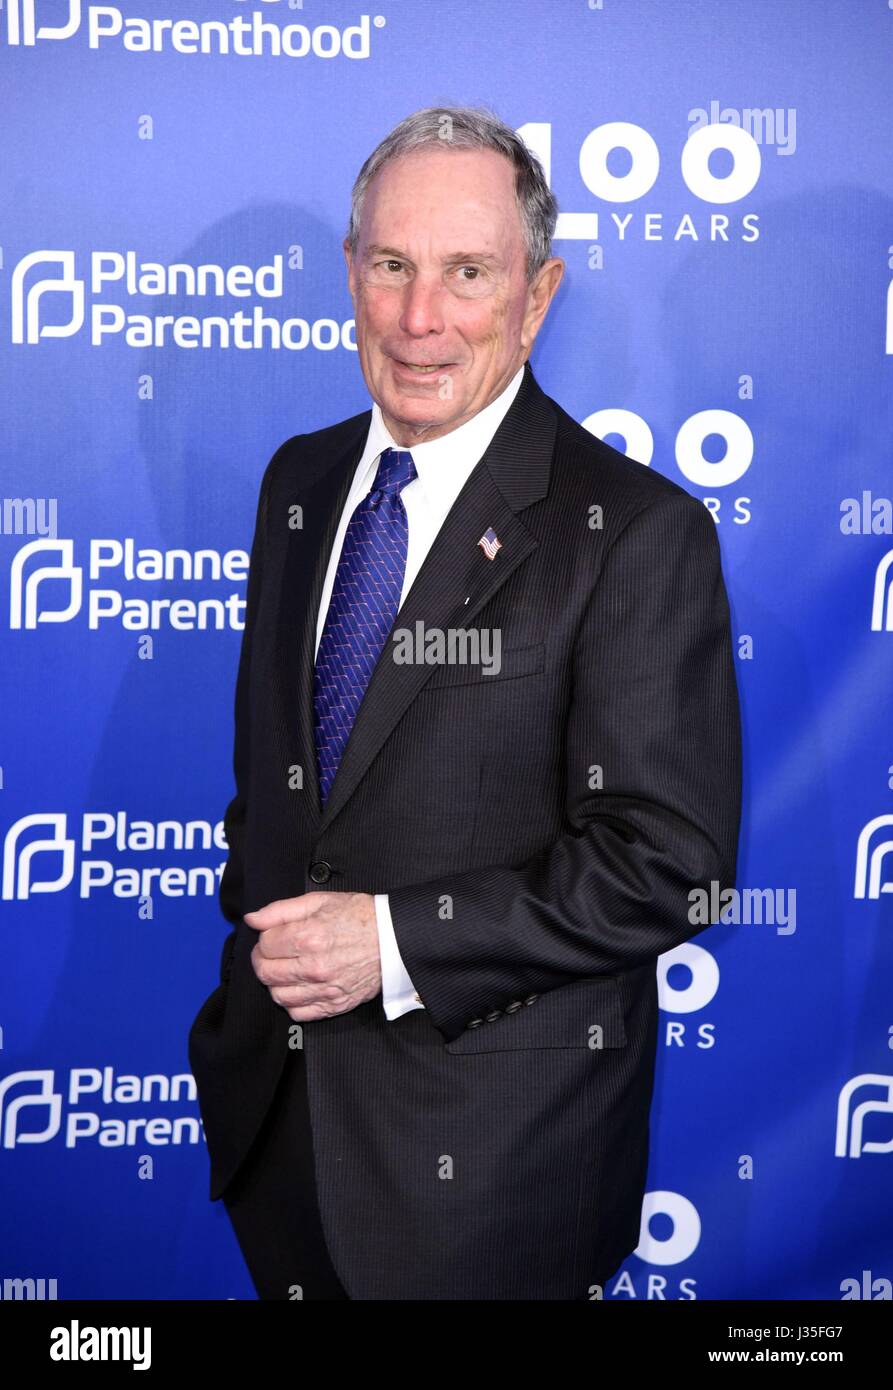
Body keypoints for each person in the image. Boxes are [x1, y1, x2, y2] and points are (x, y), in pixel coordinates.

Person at [188, 105, 742, 1301]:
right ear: (350, 271)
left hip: (490, 1181)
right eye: (389, 266)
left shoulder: (633, 534)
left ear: (536, 297)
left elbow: (666, 862)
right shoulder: (300, 477)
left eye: (466, 273)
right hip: (276, 1128)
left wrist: (385, 942)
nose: (417, 317)